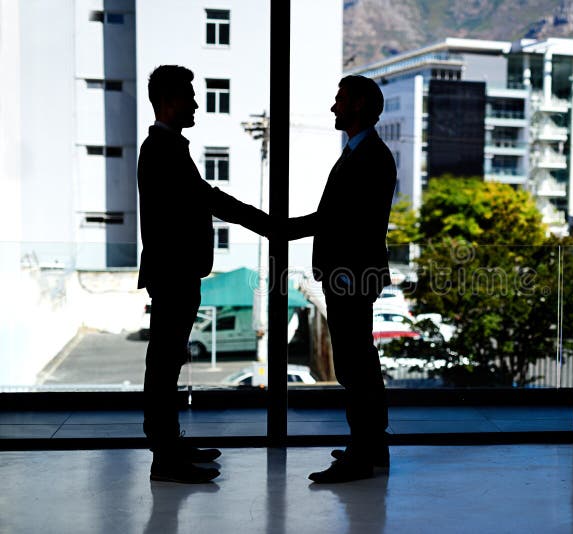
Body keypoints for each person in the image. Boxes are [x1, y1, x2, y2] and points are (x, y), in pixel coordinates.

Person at [138, 65, 271, 484]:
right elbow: (208, 199)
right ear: (169, 100)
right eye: (189, 95)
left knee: (168, 363)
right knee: (163, 366)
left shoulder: (167, 146)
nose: (197, 102)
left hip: (176, 273)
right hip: (173, 274)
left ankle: (170, 447)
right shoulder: (162, 148)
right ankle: (165, 457)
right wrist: (273, 226)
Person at [275, 75, 397, 483]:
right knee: (361, 361)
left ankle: (360, 455)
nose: (333, 107)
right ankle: (371, 446)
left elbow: (336, 219)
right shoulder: (361, 153)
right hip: (352, 272)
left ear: (359, 104)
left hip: (351, 274)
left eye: (340, 100)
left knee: (353, 365)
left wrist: (278, 228)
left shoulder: (370, 157)